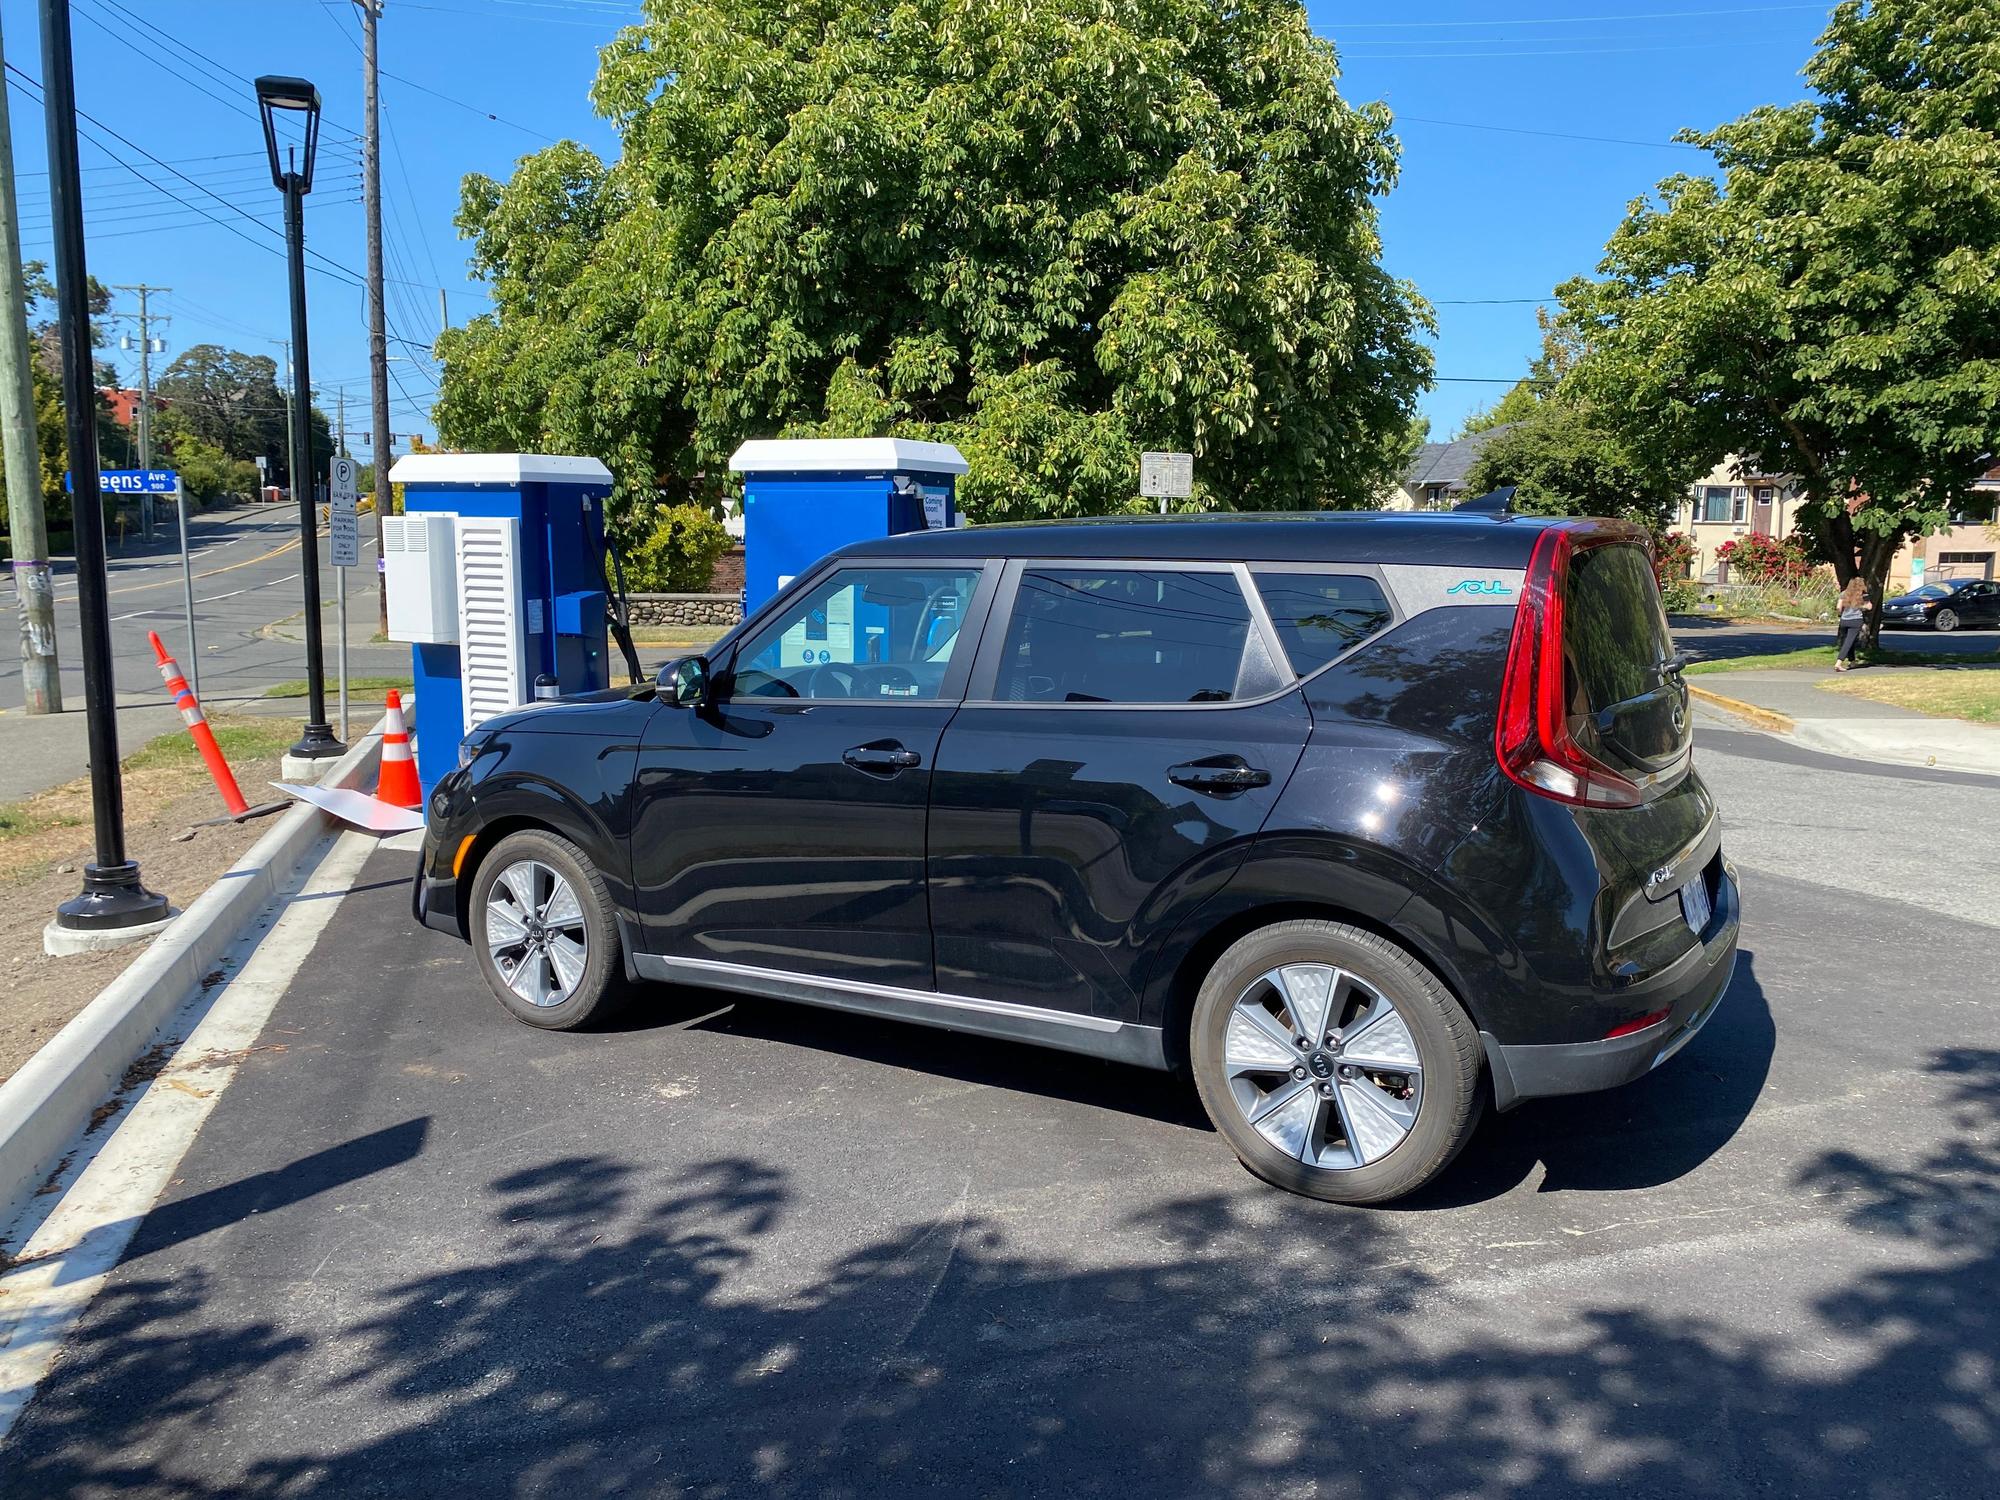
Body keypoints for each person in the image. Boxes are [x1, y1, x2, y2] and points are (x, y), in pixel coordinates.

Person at [1834, 576, 1870, 670]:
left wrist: (1840, 614)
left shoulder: (1844, 593)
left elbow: (1838, 607)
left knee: (1850, 640)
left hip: (1844, 620)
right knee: (1849, 642)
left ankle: (1852, 661)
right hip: (1856, 620)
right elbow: (1869, 606)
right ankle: (1839, 662)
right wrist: (1861, 606)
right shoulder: (1862, 595)